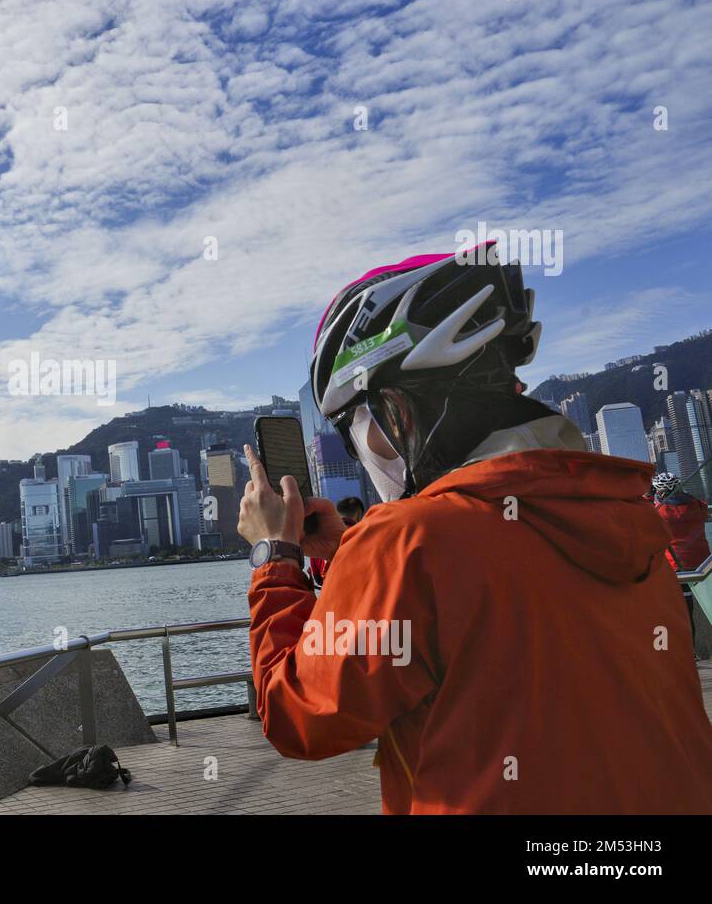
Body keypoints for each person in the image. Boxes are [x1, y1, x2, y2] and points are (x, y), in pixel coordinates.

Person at [239, 242, 712, 813]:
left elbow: (296, 717)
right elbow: (495, 613)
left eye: (354, 426)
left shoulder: (407, 542)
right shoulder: (623, 514)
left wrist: (274, 560)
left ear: (396, 410)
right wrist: (349, 558)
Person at [647, 471, 709, 650]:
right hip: (703, 565)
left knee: (671, 612)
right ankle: (690, 650)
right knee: (689, 610)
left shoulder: (659, 512)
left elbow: (645, 509)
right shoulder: (697, 507)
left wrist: (650, 496)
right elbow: (702, 506)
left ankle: (668, 649)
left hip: (675, 568)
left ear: (661, 492)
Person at [308, 496, 364, 588]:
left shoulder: (319, 538)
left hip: (329, 594)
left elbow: (317, 578)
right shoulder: (362, 536)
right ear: (358, 516)